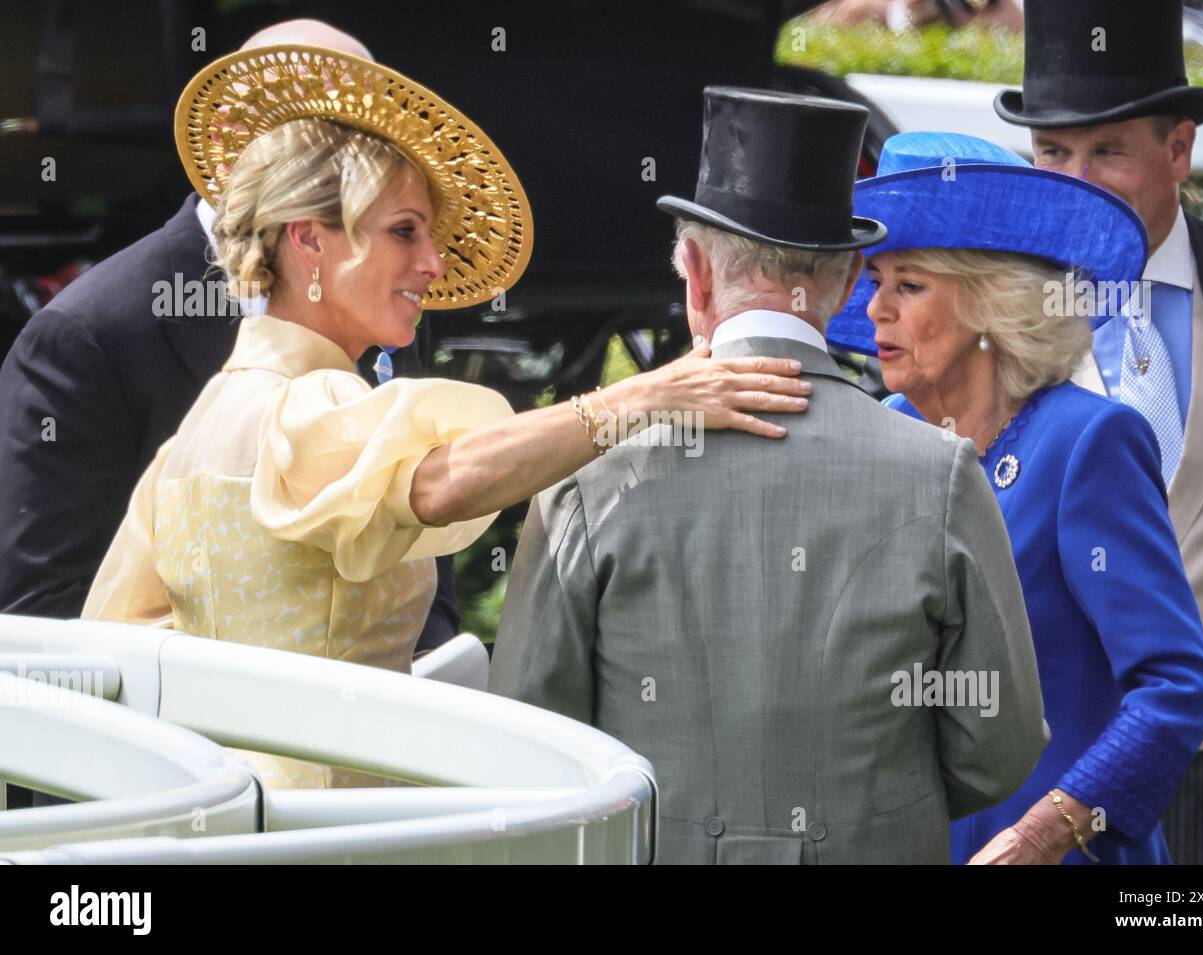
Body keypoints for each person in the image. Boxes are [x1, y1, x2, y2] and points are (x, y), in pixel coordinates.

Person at [80, 53, 812, 790]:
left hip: (225, 826)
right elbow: (439, 483)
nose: (433, 262)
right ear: (309, 240)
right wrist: (647, 397)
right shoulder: (305, 408)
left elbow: (114, 640)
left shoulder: (197, 431)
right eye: (404, 231)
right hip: (342, 833)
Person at [489, 88, 1048, 865]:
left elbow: (531, 741)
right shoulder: (941, 472)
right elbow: (1000, 743)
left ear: (696, 273)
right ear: (851, 277)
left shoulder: (592, 476)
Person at [0, 19, 464, 654]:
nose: (348, 163)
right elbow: (39, 620)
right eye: (319, 135)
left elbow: (423, 536)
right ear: (226, 135)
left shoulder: (381, 288)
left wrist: (432, 687)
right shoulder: (89, 335)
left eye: (366, 136)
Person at [827, 130, 1203, 864]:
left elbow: (1178, 686)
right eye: (875, 279)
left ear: (992, 302)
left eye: (908, 285)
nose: (876, 309)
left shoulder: (1086, 443)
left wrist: (1046, 833)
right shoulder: (884, 432)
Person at [997, 0, 1203, 864]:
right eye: (1054, 152)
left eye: (1108, 152)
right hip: (1062, 788)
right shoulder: (991, 320)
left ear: (1179, 150)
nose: (1077, 182)